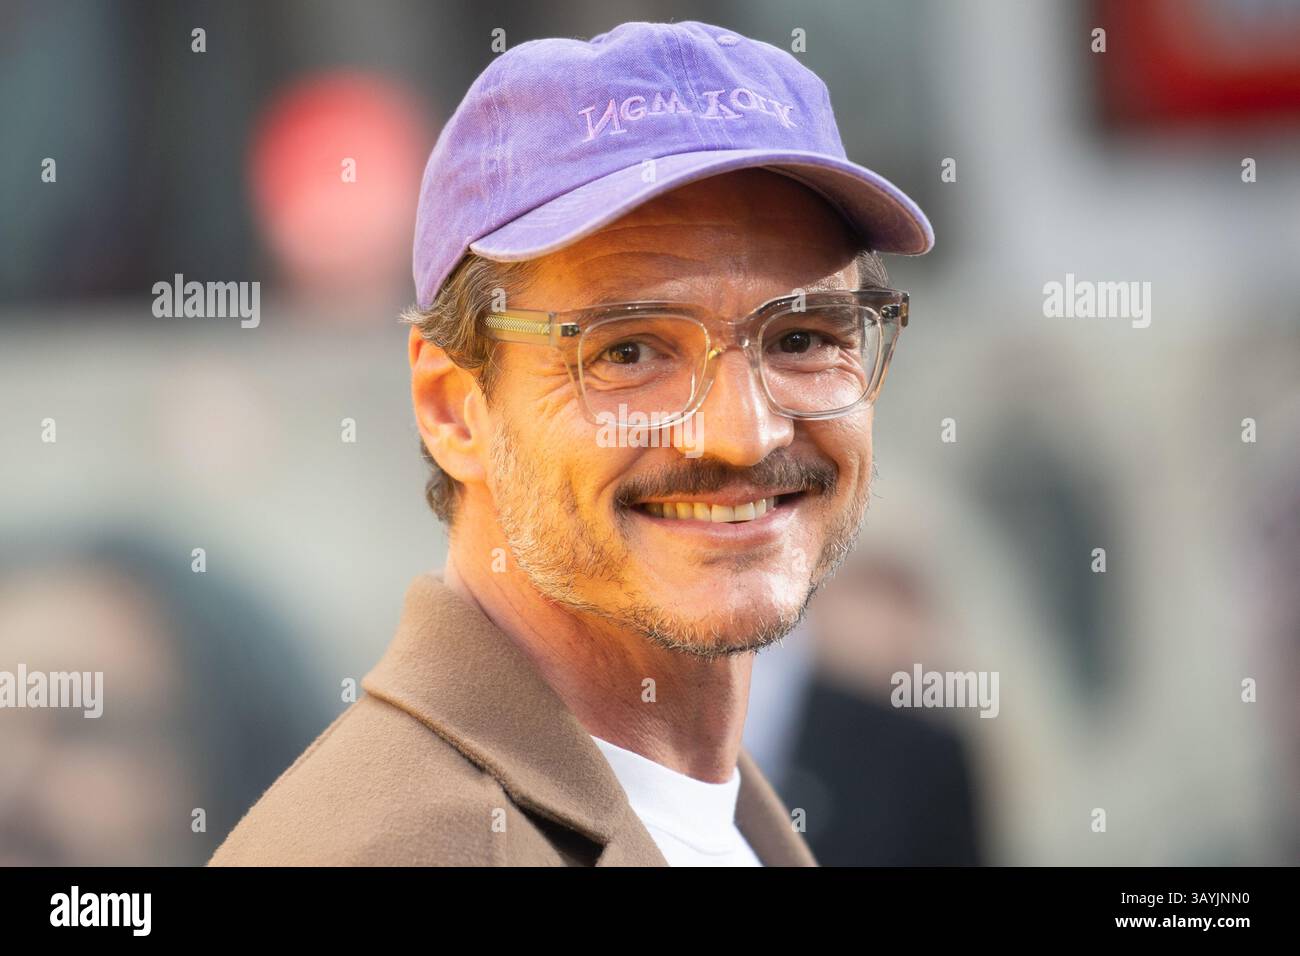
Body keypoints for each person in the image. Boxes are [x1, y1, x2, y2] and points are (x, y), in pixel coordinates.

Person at [210, 18, 932, 867]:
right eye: (628, 352)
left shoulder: (714, 816)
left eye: (805, 337)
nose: (744, 435)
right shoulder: (401, 851)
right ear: (452, 406)